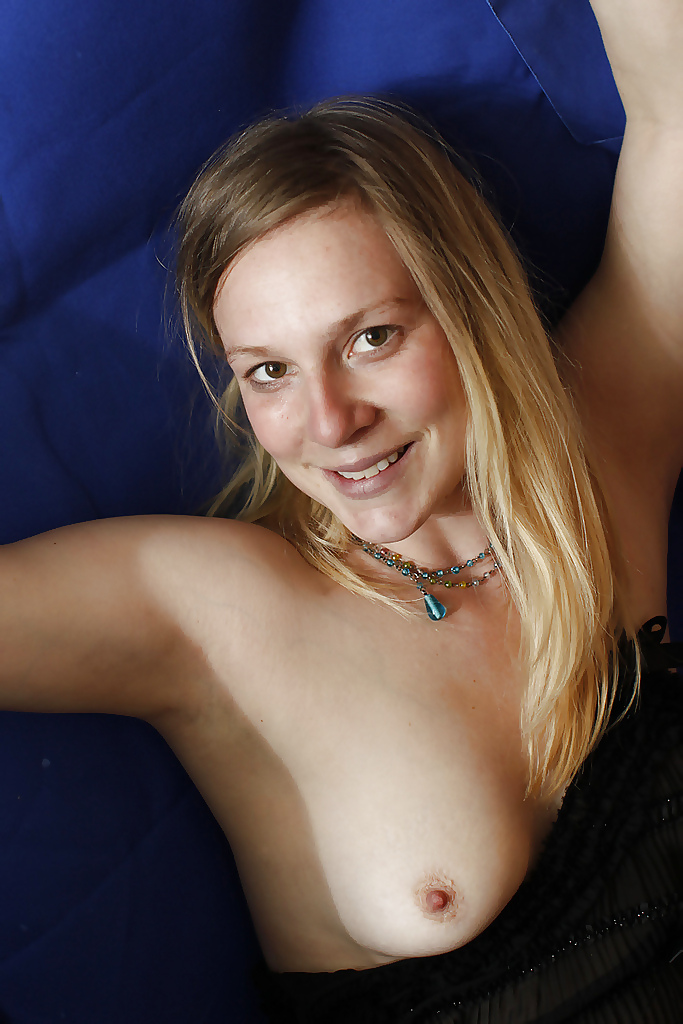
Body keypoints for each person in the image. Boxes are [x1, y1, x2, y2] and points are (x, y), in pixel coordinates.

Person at [1, 1, 682, 1020]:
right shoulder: (219, 610)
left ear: (469, 309)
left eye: (370, 338)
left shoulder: (606, 450)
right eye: (268, 371)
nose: (330, 422)